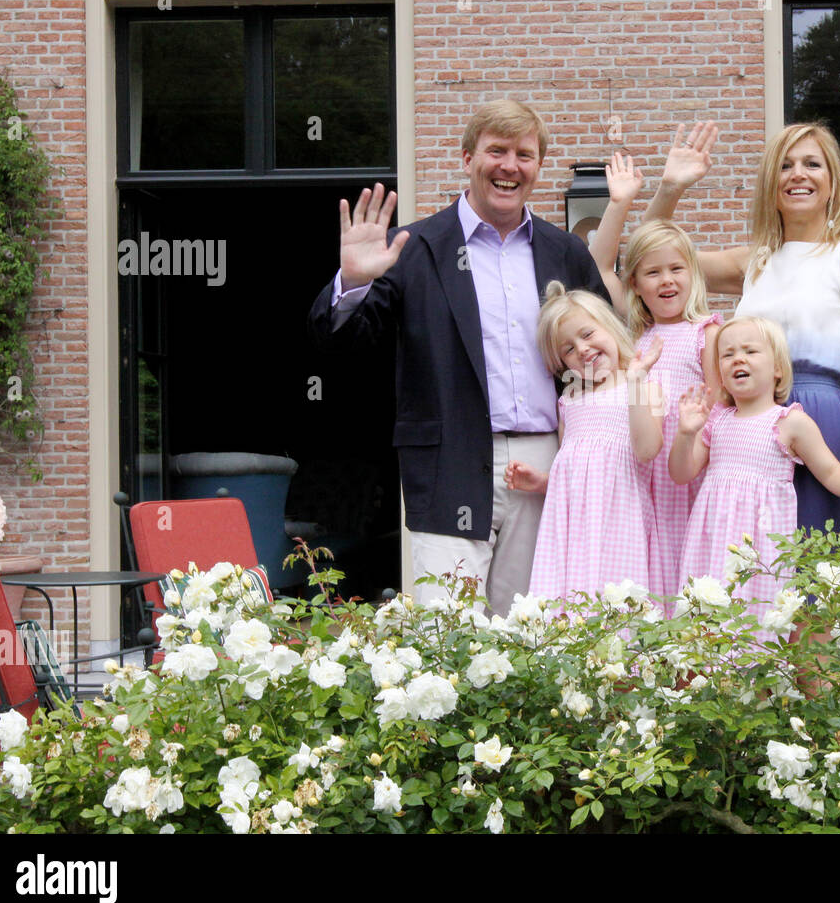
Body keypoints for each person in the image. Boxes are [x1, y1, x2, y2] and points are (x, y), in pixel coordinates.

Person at [307, 100, 609, 616]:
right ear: (467, 157)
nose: (509, 166)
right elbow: (341, 347)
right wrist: (355, 281)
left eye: (524, 154)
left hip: (546, 462)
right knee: (447, 631)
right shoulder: (415, 246)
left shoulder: (565, 253)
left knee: (534, 631)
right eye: (496, 151)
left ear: (538, 167)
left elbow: (606, 356)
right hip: (449, 458)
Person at [648, 122, 840, 536]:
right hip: (749, 423)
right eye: (785, 166)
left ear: (833, 183)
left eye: (811, 164)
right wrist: (671, 187)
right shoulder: (754, 261)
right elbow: (652, 253)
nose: (798, 174)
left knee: (824, 566)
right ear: (771, 184)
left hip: (821, 420)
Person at [671, 316, 840, 641]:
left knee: (755, 623)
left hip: (760, 545)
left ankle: (757, 686)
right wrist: (686, 434)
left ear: (777, 369)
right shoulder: (716, 420)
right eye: (727, 355)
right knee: (706, 623)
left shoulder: (790, 422)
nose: (737, 359)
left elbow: (830, 470)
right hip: (713, 539)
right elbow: (681, 472)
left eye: (750, 351)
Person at [588, 155, 722, 601]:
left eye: (676, 269)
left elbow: (717, 410)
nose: (666, 281)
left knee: (683, 576)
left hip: (683, 474)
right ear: (637, 285)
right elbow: (600, 269)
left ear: (692, 274)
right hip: (634, 472)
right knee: (637, 575)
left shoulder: (707, 332)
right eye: (652, 272)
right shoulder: (634, 331)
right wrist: (619, 204)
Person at [503, 283, 663, 606]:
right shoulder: (570, 400)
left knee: (619, 608)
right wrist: (542, 482)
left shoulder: (645, 385)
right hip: (574, 533)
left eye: (588, 334)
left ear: (610, 326)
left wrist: (634, 384)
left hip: (622, 523)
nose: (583, 349)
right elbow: (575, 474)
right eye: (569, 349)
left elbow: (647, 451)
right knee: (571, 608)